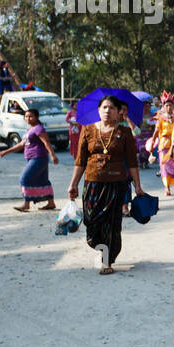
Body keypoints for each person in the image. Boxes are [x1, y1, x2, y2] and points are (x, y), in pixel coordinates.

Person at [67, 94, 148, 275]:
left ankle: (106, 260)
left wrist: (138, 185)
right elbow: (80, 161)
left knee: (111, 223)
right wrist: (73, 184)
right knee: (91, 220)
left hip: (116, 183)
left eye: (112, 108)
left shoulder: (125, 132)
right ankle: (100, 248)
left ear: (119, 112)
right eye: (104, 107)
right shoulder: (87, 130)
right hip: (93, 183)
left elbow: (132, 162)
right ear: (98, 110)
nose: (107, 111)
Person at [2, 107, 58, 210]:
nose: (28, 118)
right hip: (32, 158)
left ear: (36, 117)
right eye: (26, 116)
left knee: (24, 178)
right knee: (43, 180)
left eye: (31, 116)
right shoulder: (29, 130)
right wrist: (6, 152)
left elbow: (46, 142)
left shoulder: (38, 128)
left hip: (39, 158)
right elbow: (21, 144)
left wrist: (53, 155)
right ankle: (51, 203)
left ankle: (26, 204)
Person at [148, 93, 174, 195]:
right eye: (167, 105)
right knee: (165, 166)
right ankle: (167, 187)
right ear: (163, 107)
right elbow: (156, 131)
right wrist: (152, 142)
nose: (169, 107)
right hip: (164, 144)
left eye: (171, 105)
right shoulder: (160, 118)